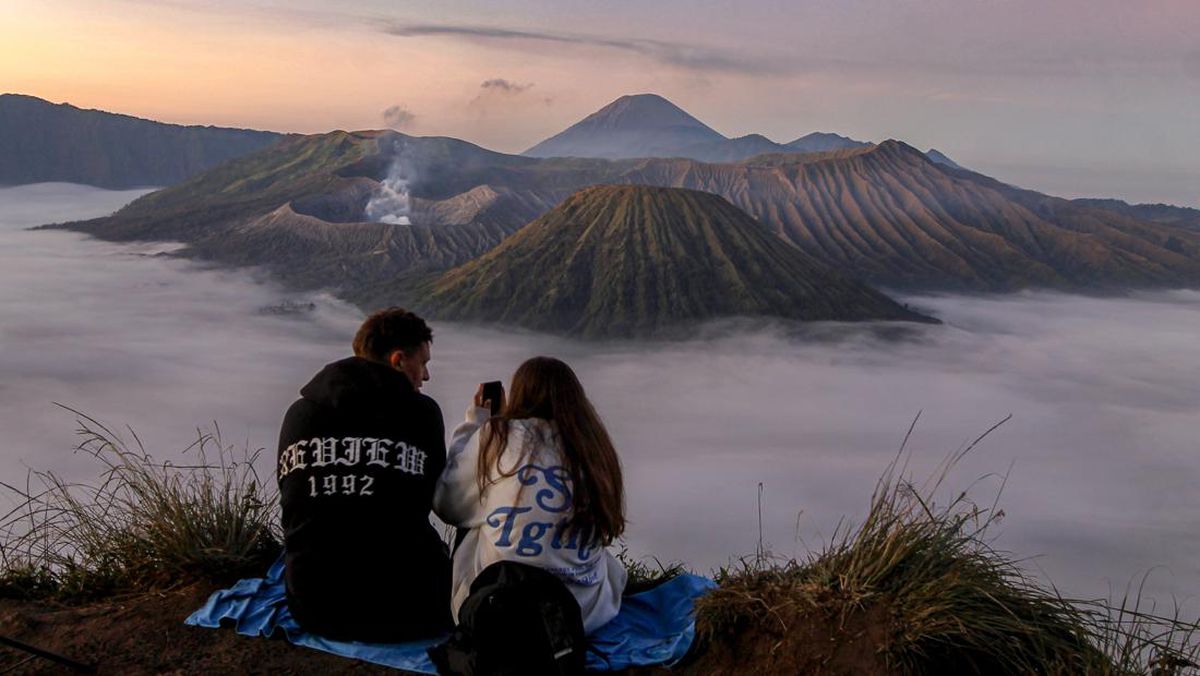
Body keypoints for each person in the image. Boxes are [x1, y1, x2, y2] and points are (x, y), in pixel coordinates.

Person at [276, 307, 451, 642]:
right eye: (423, 363)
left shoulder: (299, 413)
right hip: (409, 608)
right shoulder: (422, 414)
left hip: (313, 605)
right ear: (399, 360)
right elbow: (440, 501)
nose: (426, 376)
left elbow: (293, 498)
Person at [433, 356, 628, 633]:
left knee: (475, 515)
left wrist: (474, 426)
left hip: (498, 606)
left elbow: (448, 504)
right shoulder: (593, 446)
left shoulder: (498, 434)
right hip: (581, 614)